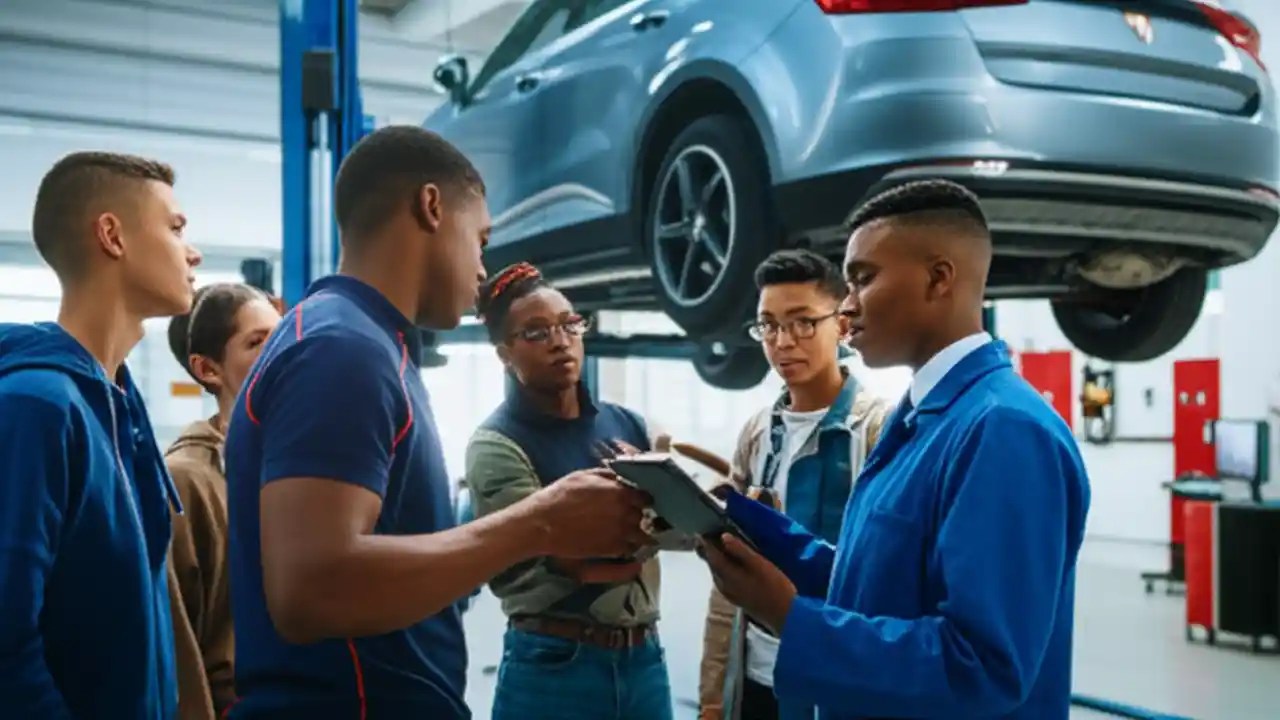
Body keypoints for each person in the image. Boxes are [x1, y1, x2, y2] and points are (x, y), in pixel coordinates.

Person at [221, 125, 654, 720]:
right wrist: (541, 524)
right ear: (431, 207)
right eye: (479, 239)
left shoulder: (360, 342)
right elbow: (311, 591)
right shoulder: (342, 350)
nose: (482, 269)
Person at [699, 180, 1091, 720]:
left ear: (938, 278)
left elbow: (981, 667)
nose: (848, 307)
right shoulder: (925, 415)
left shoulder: (1003, 430)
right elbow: (879, 585)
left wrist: (790, 617)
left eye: (862, 280)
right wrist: (772, 539)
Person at [0, 151, 202, 718]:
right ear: (112, 235)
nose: (193, 252)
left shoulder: (118, 404)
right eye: (175, 227)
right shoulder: (36, 406)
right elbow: (6, 639)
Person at [465, 262, 691, 720]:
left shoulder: (626, 424)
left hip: (644, 658)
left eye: (569, 323)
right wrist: (660, 523)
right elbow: (566, 561)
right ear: (503, 353)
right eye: (536, 332)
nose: (560, 340)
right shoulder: (497, 444)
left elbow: (677, 523)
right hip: (555, 664)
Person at [698, 249, 889, 720]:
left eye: (803, 323)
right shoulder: (758, 433)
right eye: (769, 325)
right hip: (759, 679)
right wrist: (711, 694)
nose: (783, 342)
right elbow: (729, 572)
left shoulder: (878, 431)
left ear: (841, 325)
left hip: (836, 680)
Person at [164, 283, 283, 720]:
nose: (279, 352)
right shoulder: (185, 480)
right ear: (208, 369)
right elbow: (179, 641)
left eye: (280, 333)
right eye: (257, 342)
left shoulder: (298, 459)